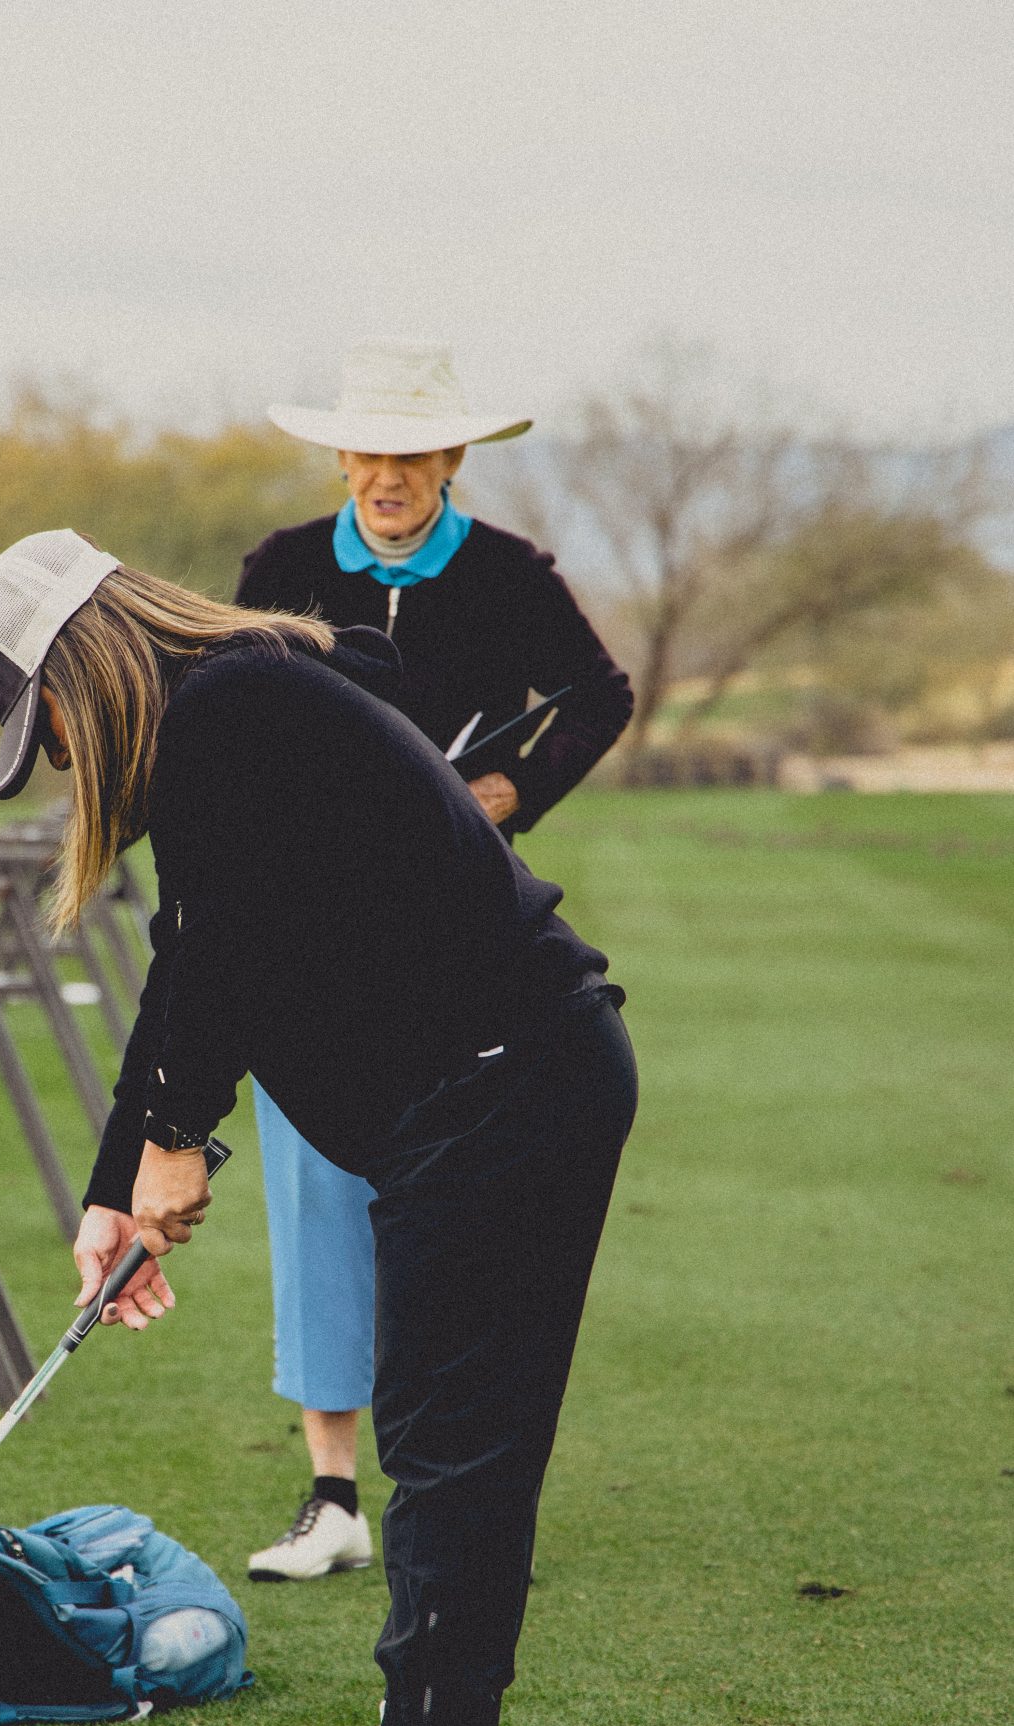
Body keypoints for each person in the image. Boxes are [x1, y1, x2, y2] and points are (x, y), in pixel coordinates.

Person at [0, 529, 637, 1726]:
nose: (63, 761)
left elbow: (234, 951)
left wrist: (175, 1141)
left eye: (50, 730)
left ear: (85, 662)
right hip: (483, 1091)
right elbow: (192, 956)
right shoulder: (237, 706)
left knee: (451, 1435)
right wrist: (117, 1184)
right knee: (439, 1421)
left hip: (503, 1085)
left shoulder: (234, 711)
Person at [234, 339, 634, 1583]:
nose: (385, 475)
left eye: (410, 453)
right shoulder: (284, 569)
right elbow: (236, 703)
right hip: (314, 927)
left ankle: (441, 1479)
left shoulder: (513, 576)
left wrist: (519, 787)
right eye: (367, 450)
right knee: (312, 1194)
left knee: (452, 1188)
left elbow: (600, 693)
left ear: (451, 458)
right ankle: (332, 1492)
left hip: (462, 928)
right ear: (340, 454)